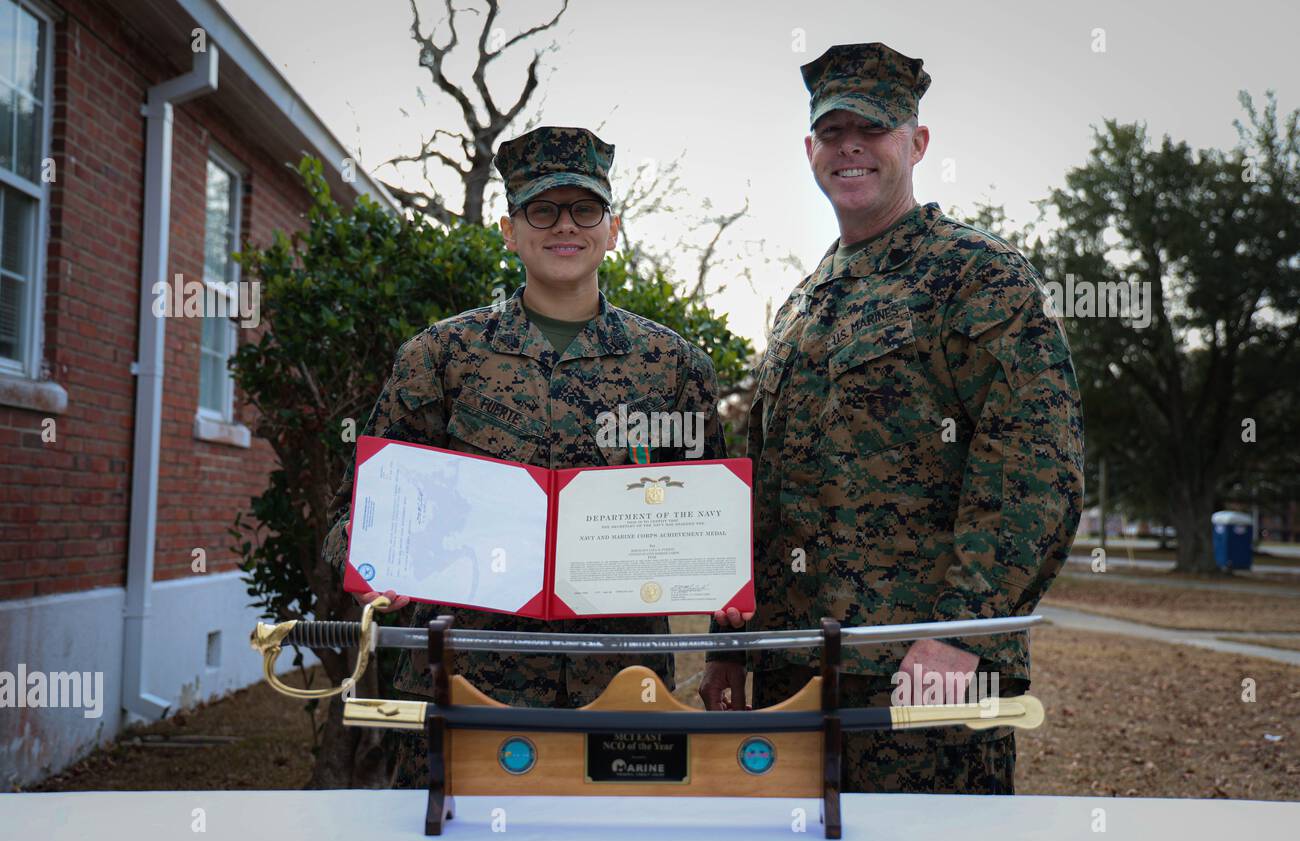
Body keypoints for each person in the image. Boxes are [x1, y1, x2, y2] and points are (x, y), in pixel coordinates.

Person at [703, 43, 1084, 794]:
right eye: (834, 129)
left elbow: (1036, 468)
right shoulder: (801, 305)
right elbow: (762, 499)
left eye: (873, 129)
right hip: (794, 673)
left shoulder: (977, 276)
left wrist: (958, 632)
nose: (851, 146)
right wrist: (730, 649)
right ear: (811, 149)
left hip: (920, 676)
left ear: (916, 142)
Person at [322, 126, 727, 786]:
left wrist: (724, 578)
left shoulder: (672, 366)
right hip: (464, 683)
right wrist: (368, 560)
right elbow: (354, 518)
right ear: (510, 230)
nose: (564, 226)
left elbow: (712, 510)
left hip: (619, 690)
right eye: (542, 210)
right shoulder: (441, 357)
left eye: (584, 209)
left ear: (612, 228)